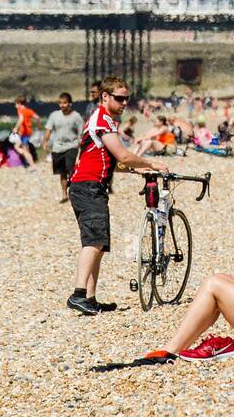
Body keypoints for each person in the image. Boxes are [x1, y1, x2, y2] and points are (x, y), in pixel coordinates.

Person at [66, 75, 168, 316]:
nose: (124, 103)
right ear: (105, 97)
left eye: (127, 99)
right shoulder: (102, 120)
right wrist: (151, 163)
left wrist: (138, 167)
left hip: (91, 186)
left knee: (98, 243)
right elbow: (123, 155)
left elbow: (115, 161)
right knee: (93, 241)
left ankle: (90, 298)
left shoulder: (105, 120)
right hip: (88, 186)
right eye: (119, 98)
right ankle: (78, 294)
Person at [41, 92, 83, 204]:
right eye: (60, 103)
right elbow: (49, 128)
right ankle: (64, 194)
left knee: (71, 169)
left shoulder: (76, 116)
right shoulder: (54, 115)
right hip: (58, 147)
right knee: (62, 172)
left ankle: (74, 191)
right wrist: (45, 141)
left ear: (70, 103)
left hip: (72, 146)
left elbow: (81, 132)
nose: (62, 105)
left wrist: (81, 143)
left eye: (64, 103)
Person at [11, 96, 39, 168]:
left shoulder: (20, 110)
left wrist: (16, 128)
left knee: (22, 149)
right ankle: (29, 162)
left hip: (24, 133)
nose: (15, 106)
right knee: (21, 147)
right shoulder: (28, 110)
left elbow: (21, 119)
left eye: (16, 104)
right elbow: (37, 117)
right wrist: (38, 126)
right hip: (29, 132)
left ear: (19, 103)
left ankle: (32, 165)